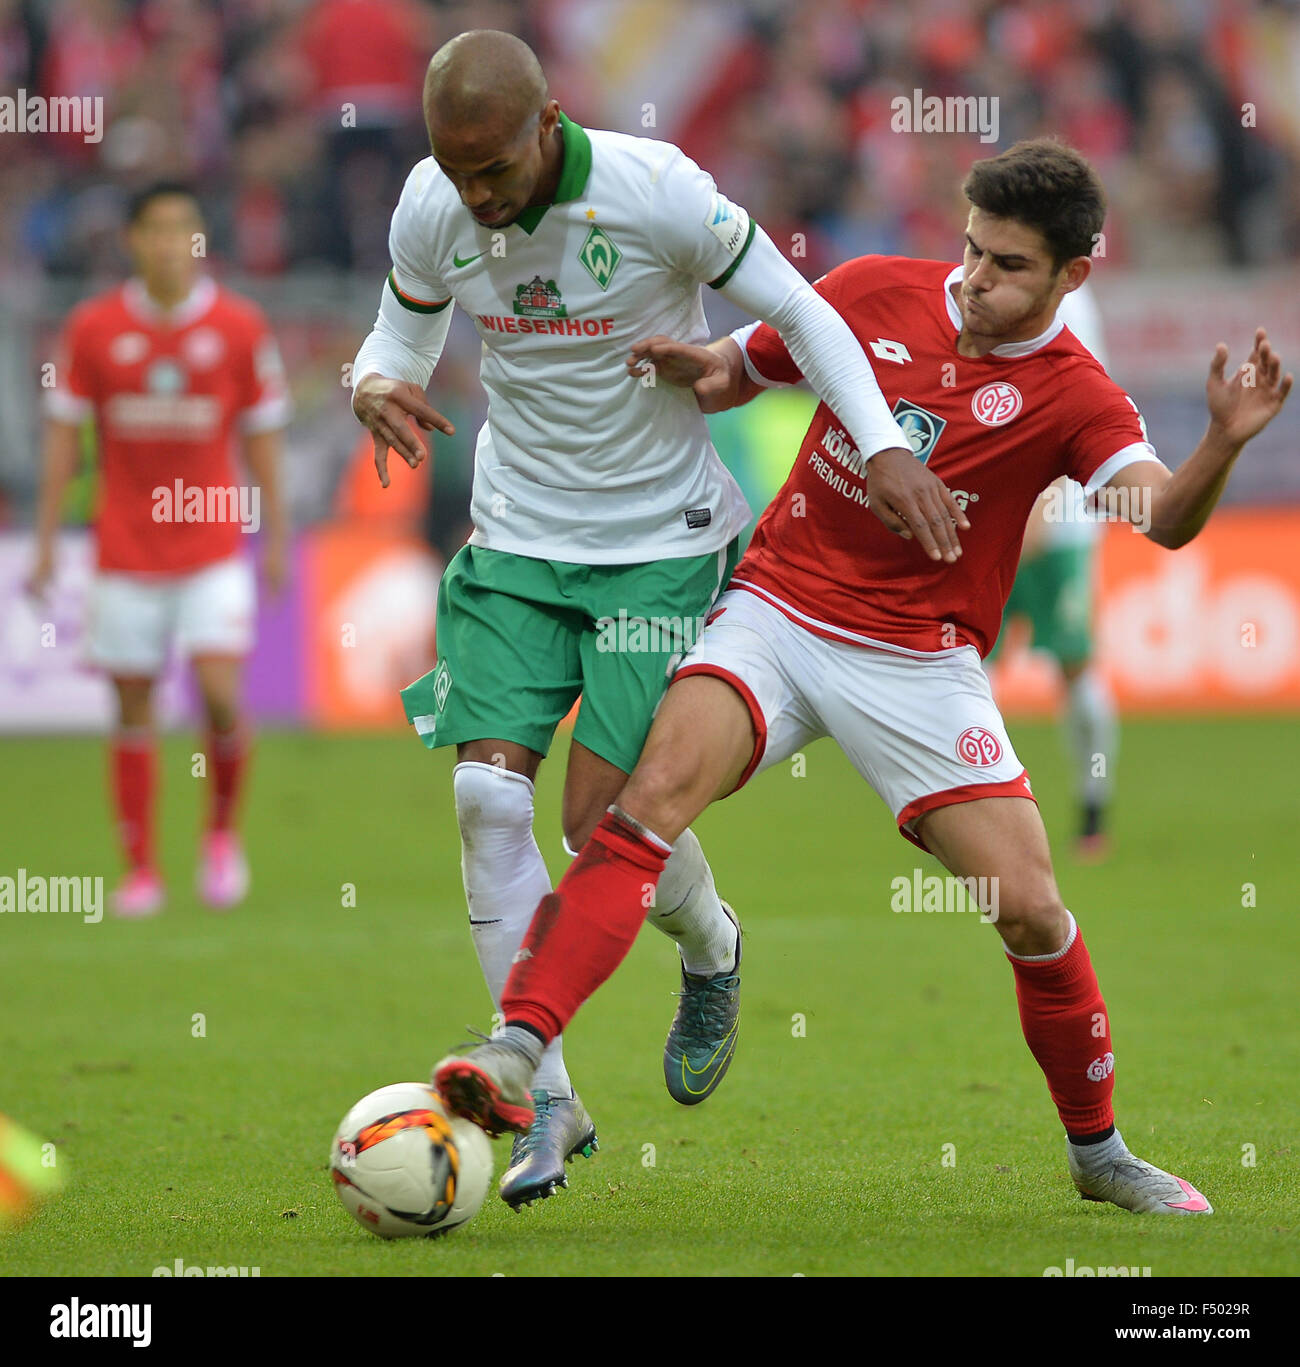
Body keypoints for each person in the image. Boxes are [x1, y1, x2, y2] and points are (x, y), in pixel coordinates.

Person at [433, 139, 1292, 1216]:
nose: (976, 280)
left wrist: (1218, 440)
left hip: (917, 661)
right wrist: (699, 371)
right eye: (973, 249)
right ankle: (522, 1051)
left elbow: (1157, 515)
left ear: (1073, 275)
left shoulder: (1074, 395)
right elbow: (743, 365)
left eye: (1011, 266)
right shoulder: (876, 289)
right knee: (637, 804)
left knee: (1028, 908)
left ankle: (1099, 1150)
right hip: (775, 611)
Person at [349, 29, 959, 1208]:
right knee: (484, 796)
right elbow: (403, 332)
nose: (474, 195)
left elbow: (801, 305)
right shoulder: (434, 202)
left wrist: (882, 444)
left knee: (601, 826)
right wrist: (373, 379)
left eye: (490, 169)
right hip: (518, 538)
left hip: (661, 546)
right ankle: (543, 1094)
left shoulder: (656, 190)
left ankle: (710, 942)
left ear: (545, 125)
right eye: (451, 169)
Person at [29, 182, 291, 917]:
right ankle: (141, 868)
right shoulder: (93, 327)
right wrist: (48, 540)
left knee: (218, 694)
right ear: (134, 240)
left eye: (185, 228)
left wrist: (276, 539)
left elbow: (263, 440)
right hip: (124, 550)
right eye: (157, 229)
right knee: (133, 705)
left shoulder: (239, 327)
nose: (171, 242)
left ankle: (219, 838)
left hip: (211, 546)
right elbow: (61, 437)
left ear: (200, 240)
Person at [988, 284, 1117, 858]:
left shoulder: (1070, 302)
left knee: (1074, 665)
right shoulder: (998, 280)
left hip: (1057, 524)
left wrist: (1043, 506)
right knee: (966, 665)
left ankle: (1093, 809)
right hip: (995, 510)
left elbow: (1076, 406)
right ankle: (980, 811)